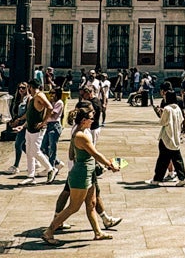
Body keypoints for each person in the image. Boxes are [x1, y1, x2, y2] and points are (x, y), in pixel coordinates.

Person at [42, 111, 120, 243]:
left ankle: (98, 232)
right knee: (74, 207)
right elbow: (95, 154)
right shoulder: (80, 136)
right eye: (90, 118)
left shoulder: (82, 132)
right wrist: (110, 165)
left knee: (91, 204)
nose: (93, 120)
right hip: (81, 175)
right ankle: (49, 231)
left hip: (88, 173)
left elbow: (76, 155)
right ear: (84, 120)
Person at [151, 89, 185, 187]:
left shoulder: (167, 109)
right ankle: (182, 178)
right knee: (177, 159)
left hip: (167, 136)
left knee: (162, 160)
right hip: (175, 136)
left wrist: (159, 112)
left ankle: (157, 179)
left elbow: (162, 122)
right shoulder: (177, 108)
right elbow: (182, 119)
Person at [19, 82, 55, 183]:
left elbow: (50, 108)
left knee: (35, 150)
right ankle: (31, 176)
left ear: (30, 87)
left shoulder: (40, 95)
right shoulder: (32, 97)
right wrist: (22, 124)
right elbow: (29, 113)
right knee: (29, 151)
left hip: (37, 129)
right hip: (30, 128)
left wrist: (44, 122)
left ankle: (50, 169)